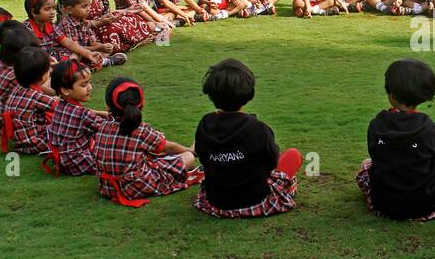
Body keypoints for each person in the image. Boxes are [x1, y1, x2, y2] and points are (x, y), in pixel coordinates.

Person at [355, 59, 435, 220]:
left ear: (391, 95)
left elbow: (376, 157)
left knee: (365, 164)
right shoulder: (429, 128)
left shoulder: (377, 124)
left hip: (384, 202)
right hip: (425, 203)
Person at [193, 59, 304, 218]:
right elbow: (271, 162)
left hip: (216, 200)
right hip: (254, 198)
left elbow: (203, 157)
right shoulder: (258, 129)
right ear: (249, 92)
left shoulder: (204, 125)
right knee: (293, 155)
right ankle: (286, 189)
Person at [94, 78, 200, 206]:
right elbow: (169, 148)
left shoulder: (103, 125)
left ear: (107, 106)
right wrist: (191, 151)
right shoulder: (141, 130)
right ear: (141, 103)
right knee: (187, 157)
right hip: (135, 186)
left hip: (108, 187)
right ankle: (189, 161)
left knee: (153, 155)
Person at [44, 59, 106, 176]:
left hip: (61, 160)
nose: (90, 88)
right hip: (78, 162)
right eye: (84, 84)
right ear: (65, 90)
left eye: (89, 82)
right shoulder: (81, 113)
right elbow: (107, 130)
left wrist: (102, 113)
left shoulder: (60, 104)